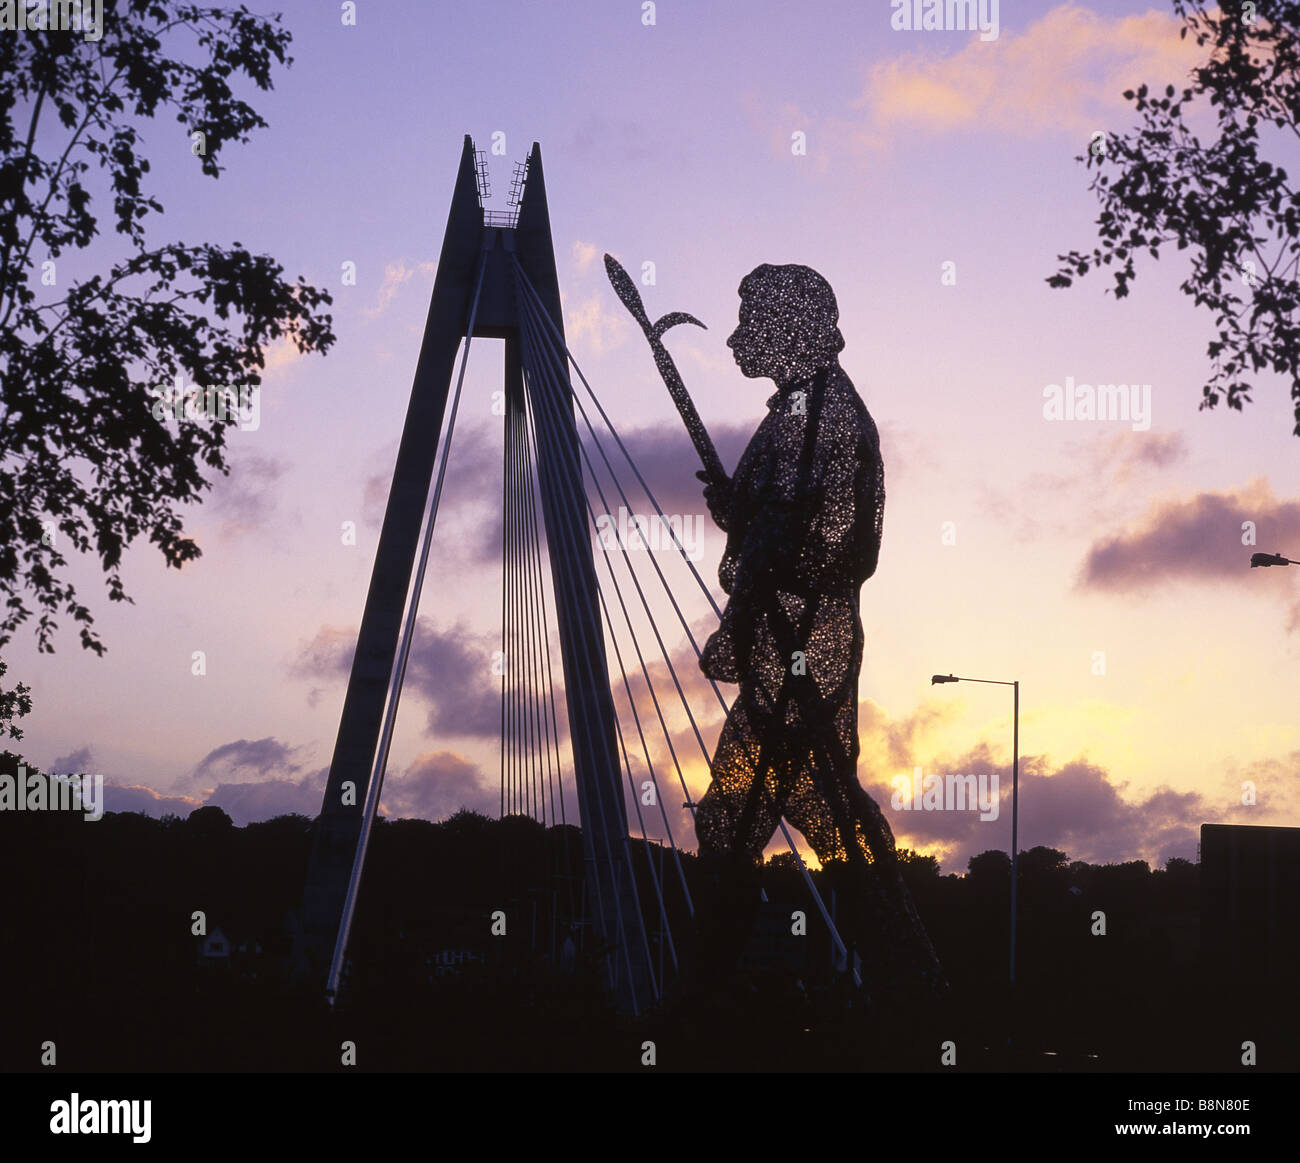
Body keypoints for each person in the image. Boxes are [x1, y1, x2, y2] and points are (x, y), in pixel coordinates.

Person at [691, 263, 944, 1000]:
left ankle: (699, 1005)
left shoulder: (829, 415)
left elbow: (833, 543)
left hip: (803, 641)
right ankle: (913, 985)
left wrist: (760, 584)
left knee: (779, 817)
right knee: (786, 814)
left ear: (790, 327)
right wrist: (741, 510)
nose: (738, 339)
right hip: (788, 642)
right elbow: (768, 513)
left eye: (750, 324)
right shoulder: (798, 411)